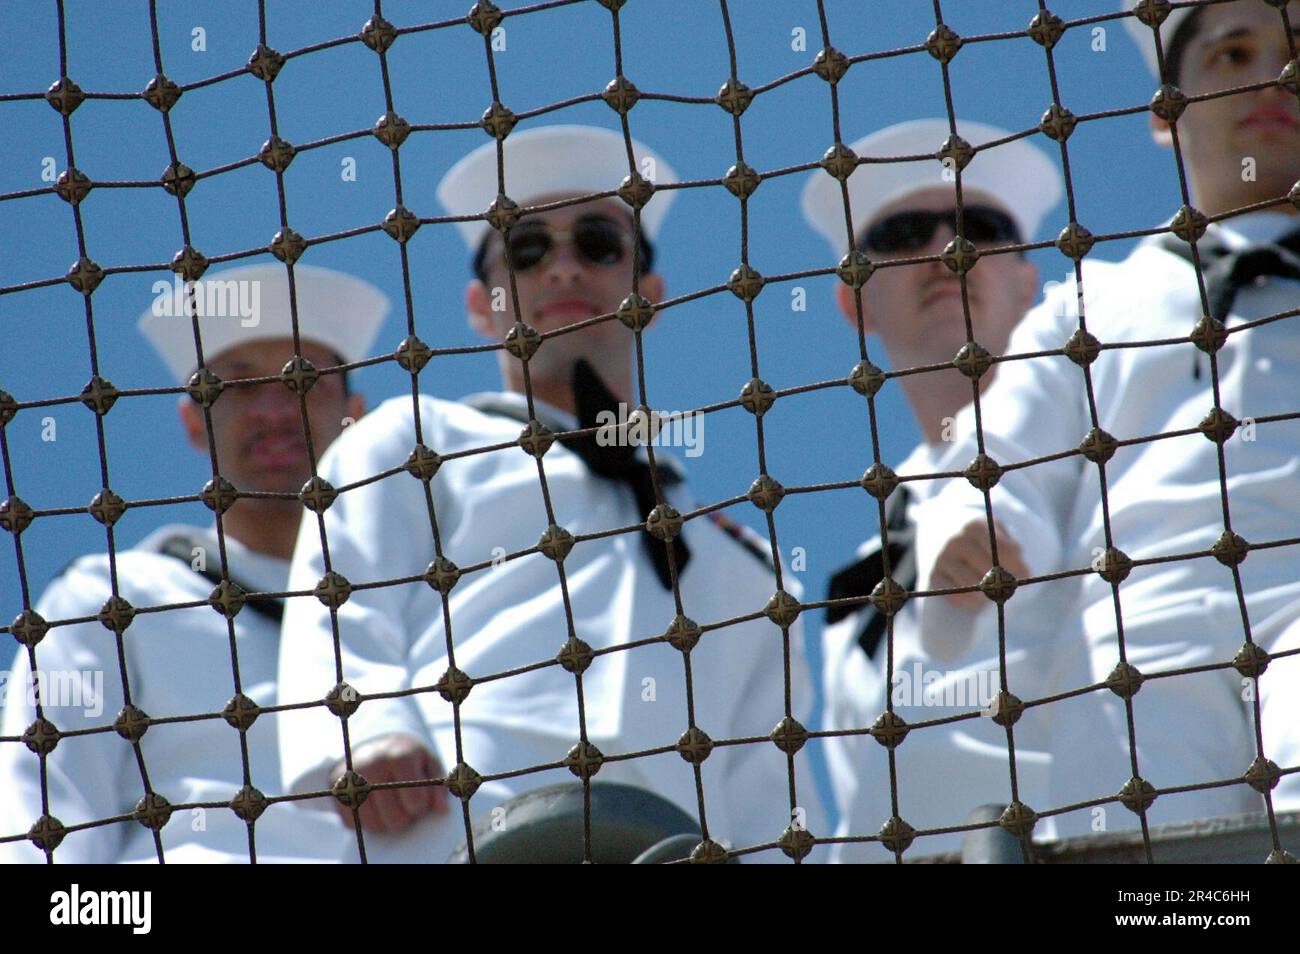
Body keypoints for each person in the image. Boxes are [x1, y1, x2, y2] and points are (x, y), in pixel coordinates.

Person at [276, 124, 822, 863]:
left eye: (598, 244)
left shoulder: (746, 563)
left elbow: (770, 793)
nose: (563, 268)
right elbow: (343, 604)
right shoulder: (413, 443)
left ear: (649, 294)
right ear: (480, 303)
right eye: (527, 250)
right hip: (454, 838)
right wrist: (367, 732)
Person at [912, 0, 1300, 837]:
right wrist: (978, 525)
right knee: (1144, 866)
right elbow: (1004, 444)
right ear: (1166, 114)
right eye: (1233, 53)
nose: (1273, 75)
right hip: (1132, 643)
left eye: (1296, 53)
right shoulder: (1093, 304)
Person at [0, 263, 385, 863]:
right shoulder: (115, 598)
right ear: (191, 421)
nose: (272, 411)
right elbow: (45, 818)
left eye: (302, 380)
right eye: (236, 386)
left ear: (354, 413)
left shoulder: (417, 592)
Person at [802, 119, 1092, 860]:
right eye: (903, 233)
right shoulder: (856, 574)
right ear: (854, 303)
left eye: (978, 227)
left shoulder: (1113, 454)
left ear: (1030, 284)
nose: (946, 251)